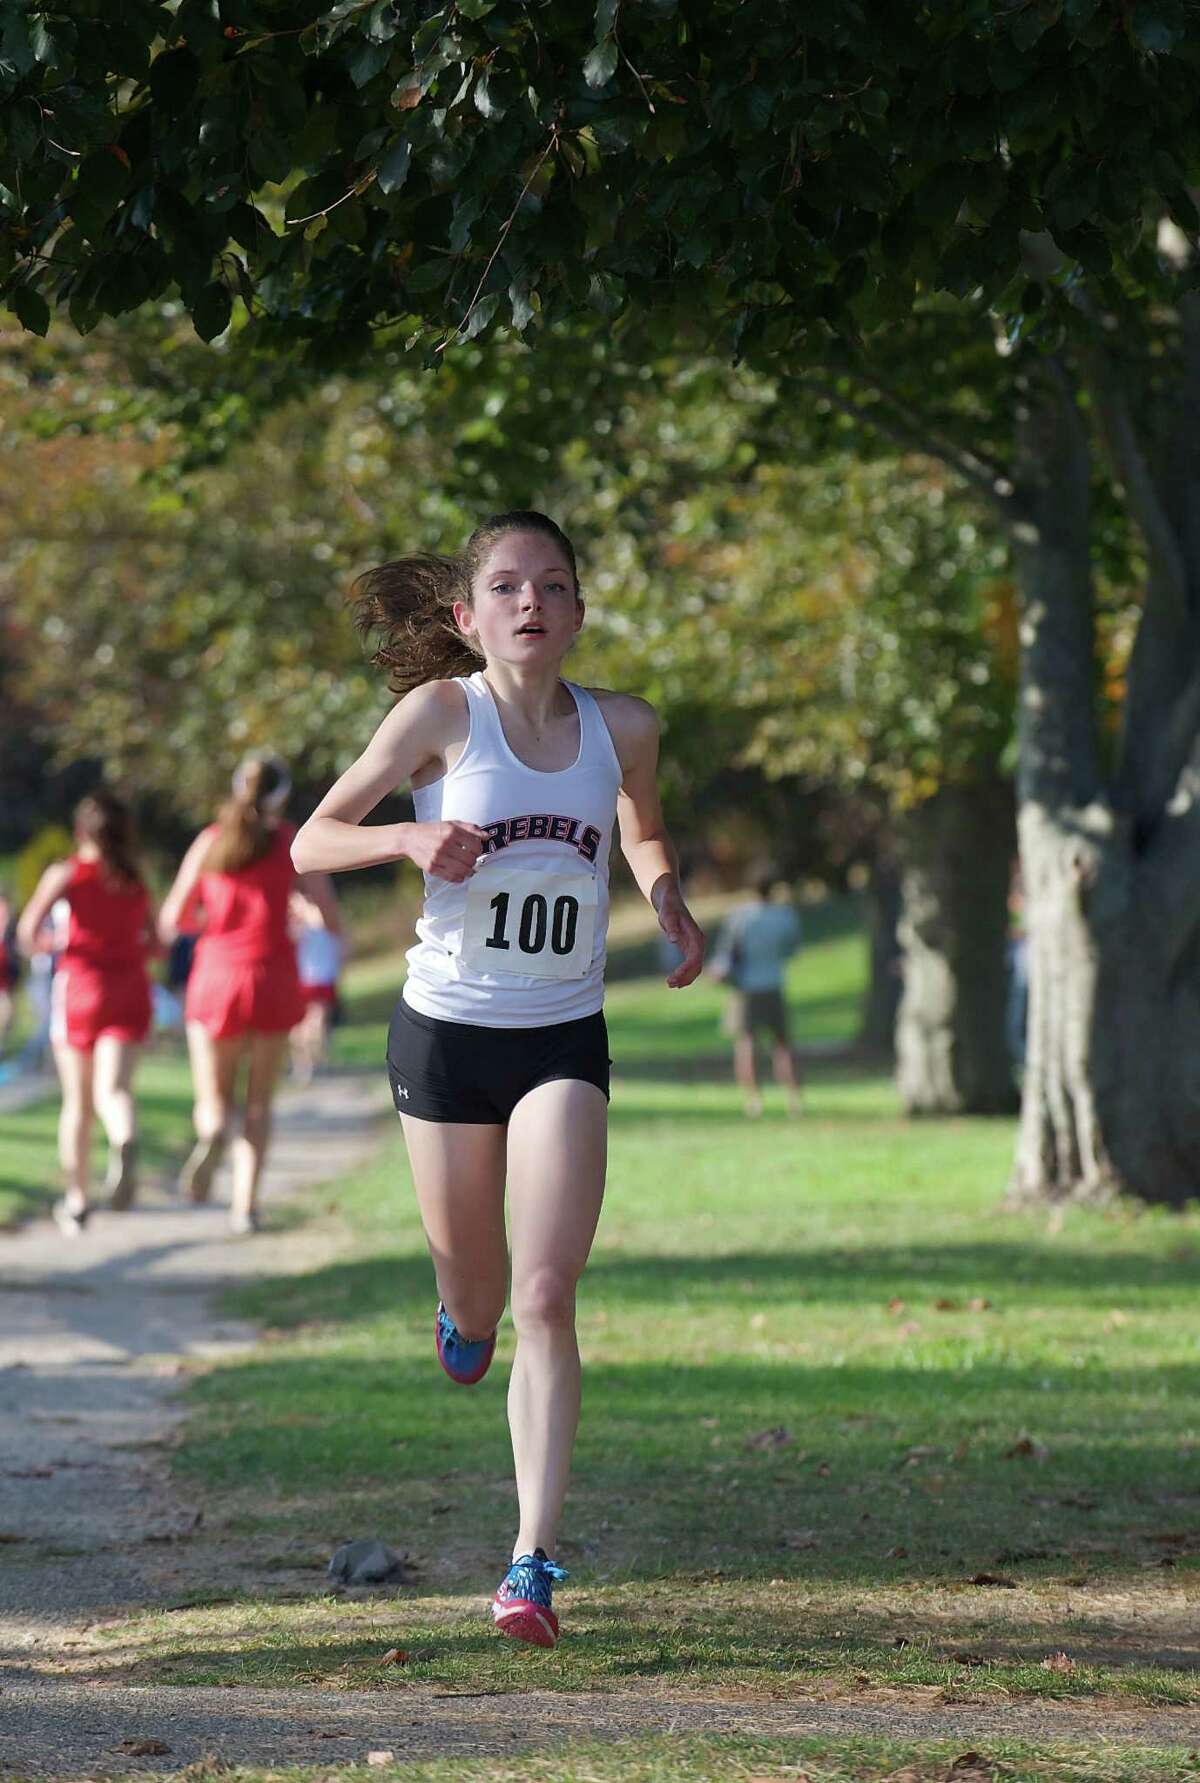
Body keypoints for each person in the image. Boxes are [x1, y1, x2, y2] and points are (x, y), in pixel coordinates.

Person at [292, 510, 704, 1649]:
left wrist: (665, 893)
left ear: (577, 610)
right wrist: (403, 843)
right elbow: (310, 843)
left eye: (555, 584)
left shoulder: (623, 726)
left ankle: (531, 1561)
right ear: (469, 617)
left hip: (562, 1035)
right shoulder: (439, 717)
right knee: (479, 1301)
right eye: (509, 587)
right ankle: (455, 1318)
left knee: (546, 1294)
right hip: (446, 1035)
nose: (534, 603)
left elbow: (644, 828)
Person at [159, 755, 339, 1235]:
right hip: (273, 977)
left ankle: (213, 1133)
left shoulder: (211, 841)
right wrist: (298, 917)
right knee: (259, 1101)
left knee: (214, 1098)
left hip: (216, 976)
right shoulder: (291, 844)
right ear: (281, 795)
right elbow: (331, 921)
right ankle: (245, 1206)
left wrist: (209, 924)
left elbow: (173, 917)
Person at [16, 791, 154, 1232]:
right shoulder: (135, 879)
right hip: (130, 987)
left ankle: (76, 1200)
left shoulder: (68, 873)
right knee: (114, 1090)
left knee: (77, 1102)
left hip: (81, 988)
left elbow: (26, 930)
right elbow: (156, 939)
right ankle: (123, 1137)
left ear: (81, 831)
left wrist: (50, 945)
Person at [711, 871, 803, 1118]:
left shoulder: (740, 916)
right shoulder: (785, 916)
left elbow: (727, 952)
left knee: (747, 1044)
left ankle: (754, 1100)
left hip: (745, 987)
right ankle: (794, 1098)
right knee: (783, 1044)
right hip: (774, 982)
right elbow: (792, 949)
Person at [289, 886, 345, 1083]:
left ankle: (314, 1062)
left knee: (318, 1021)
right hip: (304, 978)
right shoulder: (294, 922)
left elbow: (328, 926)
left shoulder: (318, 915)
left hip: (322, 976)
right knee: (302, 1025)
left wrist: (304, 907)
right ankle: (305, 1063)